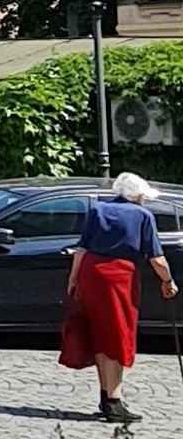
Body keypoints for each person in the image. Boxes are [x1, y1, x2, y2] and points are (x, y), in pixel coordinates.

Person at [60, 172, 177, 423]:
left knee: (100, 332)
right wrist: (168, 281)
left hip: (91, 273)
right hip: (119, 277)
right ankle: (114, 401)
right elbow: (157, 259)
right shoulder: (143, 215)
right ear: (138, 196)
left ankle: (106, 395)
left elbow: (82, 249)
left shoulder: (98, 210)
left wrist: (74, 278)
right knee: (116, 333)